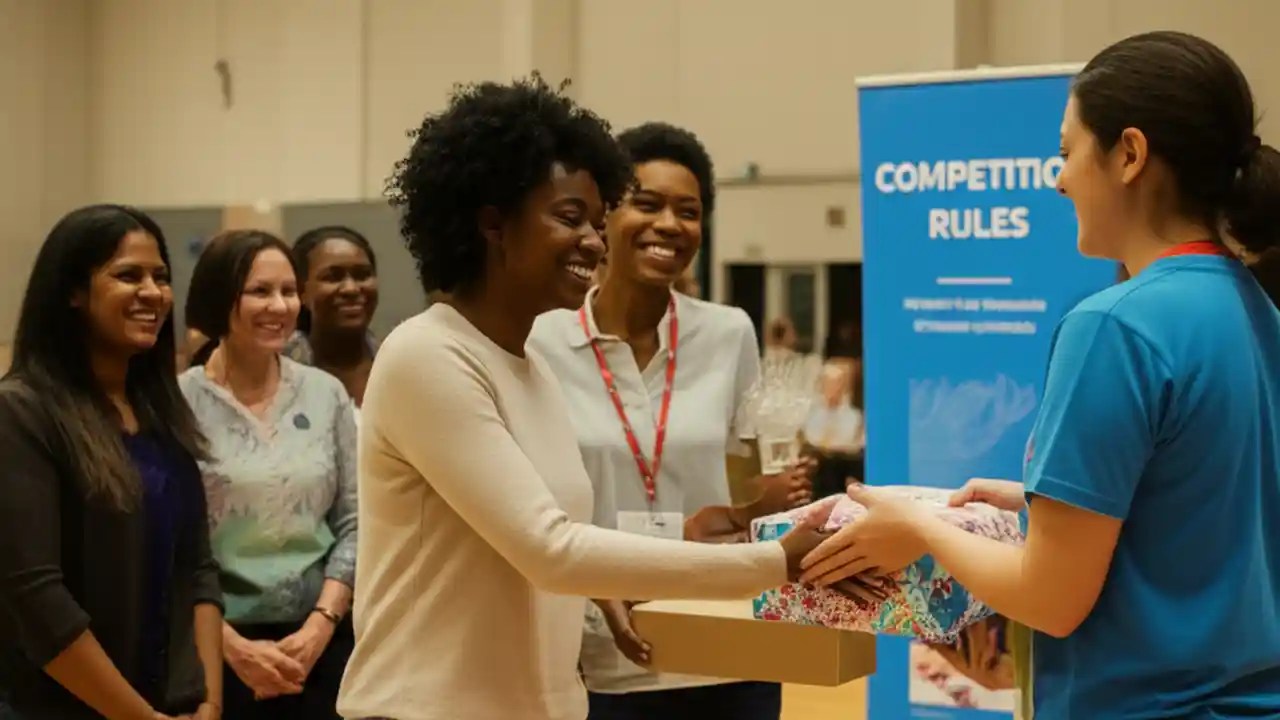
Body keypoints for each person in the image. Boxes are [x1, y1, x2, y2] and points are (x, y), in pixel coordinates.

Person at [800, 31, 1280, 719]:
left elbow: (1050, 600)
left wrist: (920, 530)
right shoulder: (1256, 309)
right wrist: (1040, 504)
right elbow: (1204, 512)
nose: (1056, 179)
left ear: (1130, 154)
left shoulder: (1114, 326)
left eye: (1065, 152)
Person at [334, 76, 827, 720]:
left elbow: (553, 536)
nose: (595, 243)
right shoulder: (426, 355)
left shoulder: (532, 364)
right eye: (571, 219)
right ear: (492, 225)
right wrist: (770, 563)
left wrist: (652, 562)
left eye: (597, 223)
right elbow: (553, 548)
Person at [529, 122, 812, 720]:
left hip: (729, 640)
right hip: (601, 651)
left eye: (688, 211)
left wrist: (770, 498)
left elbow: (750, 483)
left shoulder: (728, 332)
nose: (668, 226)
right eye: (647, 204)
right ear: (605, 213)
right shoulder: (541, 339)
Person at [0, 204, 222, 719]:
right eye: (129, 275)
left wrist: (208, 700)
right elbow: (38, 600)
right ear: (74, 293)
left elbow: (198, 569)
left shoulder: (160, 412)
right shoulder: (22, 412)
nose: (153, 293)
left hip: (169, 700)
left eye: (161, 277)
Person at [181, 230, 358, 720]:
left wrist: (320, 626)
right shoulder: (177, 404)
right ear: (221, 298)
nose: (280, 306)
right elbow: (169, 547)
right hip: (215, 649)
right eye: (260, 291)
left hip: (322, 641)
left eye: (288, 291)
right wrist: (234, 649)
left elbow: (355, 521)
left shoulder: (327, 395)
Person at [284, 226, 380, 406]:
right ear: (301, 291)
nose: (351, 288)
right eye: (332, 277)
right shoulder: (276, 373)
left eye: (363, 275)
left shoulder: (399, 366)